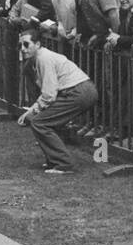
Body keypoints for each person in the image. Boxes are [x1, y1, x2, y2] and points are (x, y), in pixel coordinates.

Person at [16, 29, 98, 174]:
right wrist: (31, 111)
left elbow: (49, 95)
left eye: (26, 44)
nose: (22, 49)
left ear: (38, 44)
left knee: (40, 122)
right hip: (78, 91)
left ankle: (64, 164)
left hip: (79, 92)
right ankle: (55, 161)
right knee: (42, 120)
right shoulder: (38, 58)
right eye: (20, 45)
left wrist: (32, 111)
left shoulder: (43, 58)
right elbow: (47, 94)